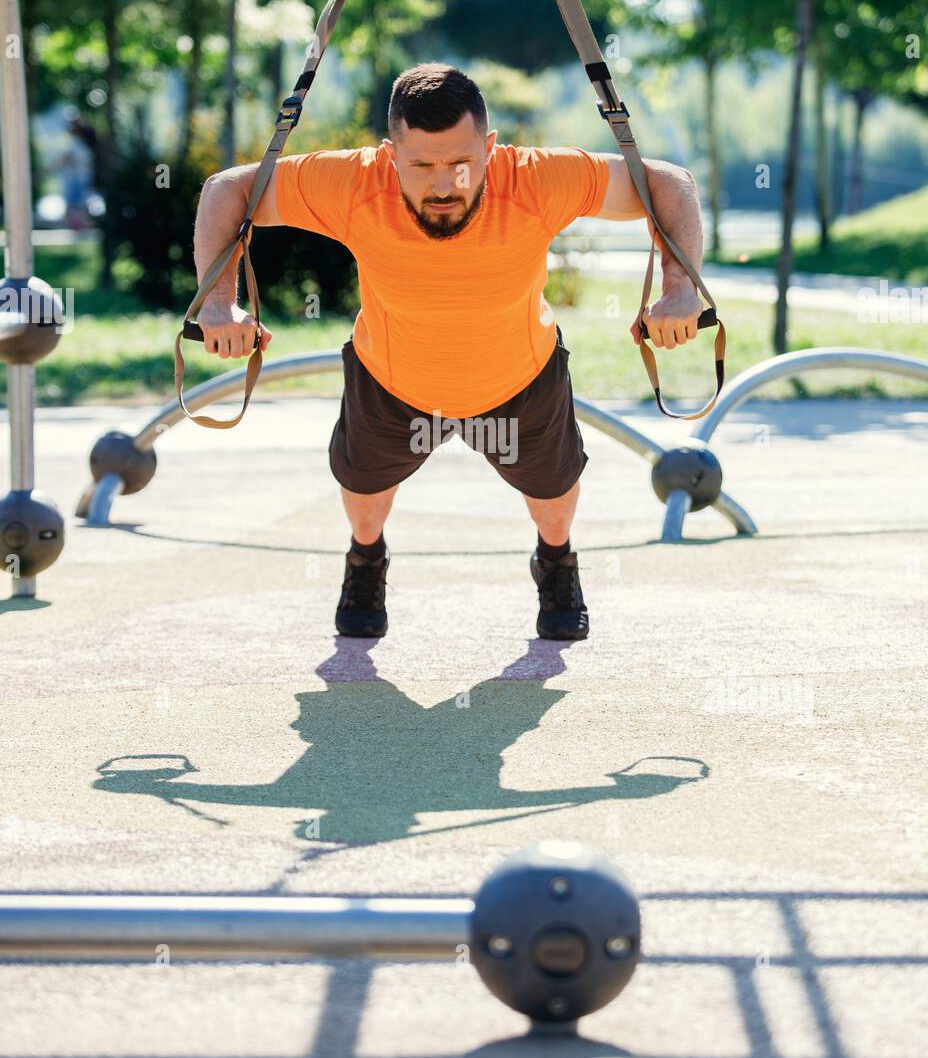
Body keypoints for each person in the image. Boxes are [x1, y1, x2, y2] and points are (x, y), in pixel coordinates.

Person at [192, 63, 705, 641]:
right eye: (421, 166)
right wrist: (218, 303)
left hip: (520, 378)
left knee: (554, 493)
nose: (443, 185)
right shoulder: (356, 183)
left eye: (460, 163)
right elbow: (228, 189)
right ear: (390, 156)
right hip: (391, 380)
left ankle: (556, 560)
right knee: (362, 492)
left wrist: (679, 289)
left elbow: (669, 183)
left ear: (490, 147)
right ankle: (367, 559)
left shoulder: (534, 179)